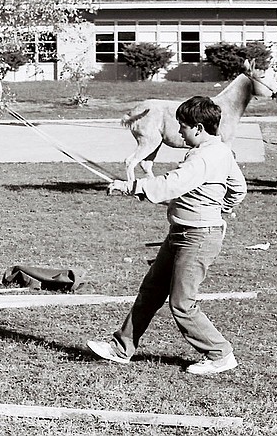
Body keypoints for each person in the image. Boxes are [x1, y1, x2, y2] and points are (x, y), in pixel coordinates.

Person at [87, 95, 247, 375]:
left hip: (197, 238)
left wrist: (129, 187)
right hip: (181, 232)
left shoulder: (204, 158)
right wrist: (220, 207)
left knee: (182, 303)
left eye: (183, 127)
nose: (180, 132)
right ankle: (121, 347)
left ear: (198, 128)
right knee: (151, 292)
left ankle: (220, 354)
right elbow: (238, 188)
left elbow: (170, 185)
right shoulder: (221, 151)